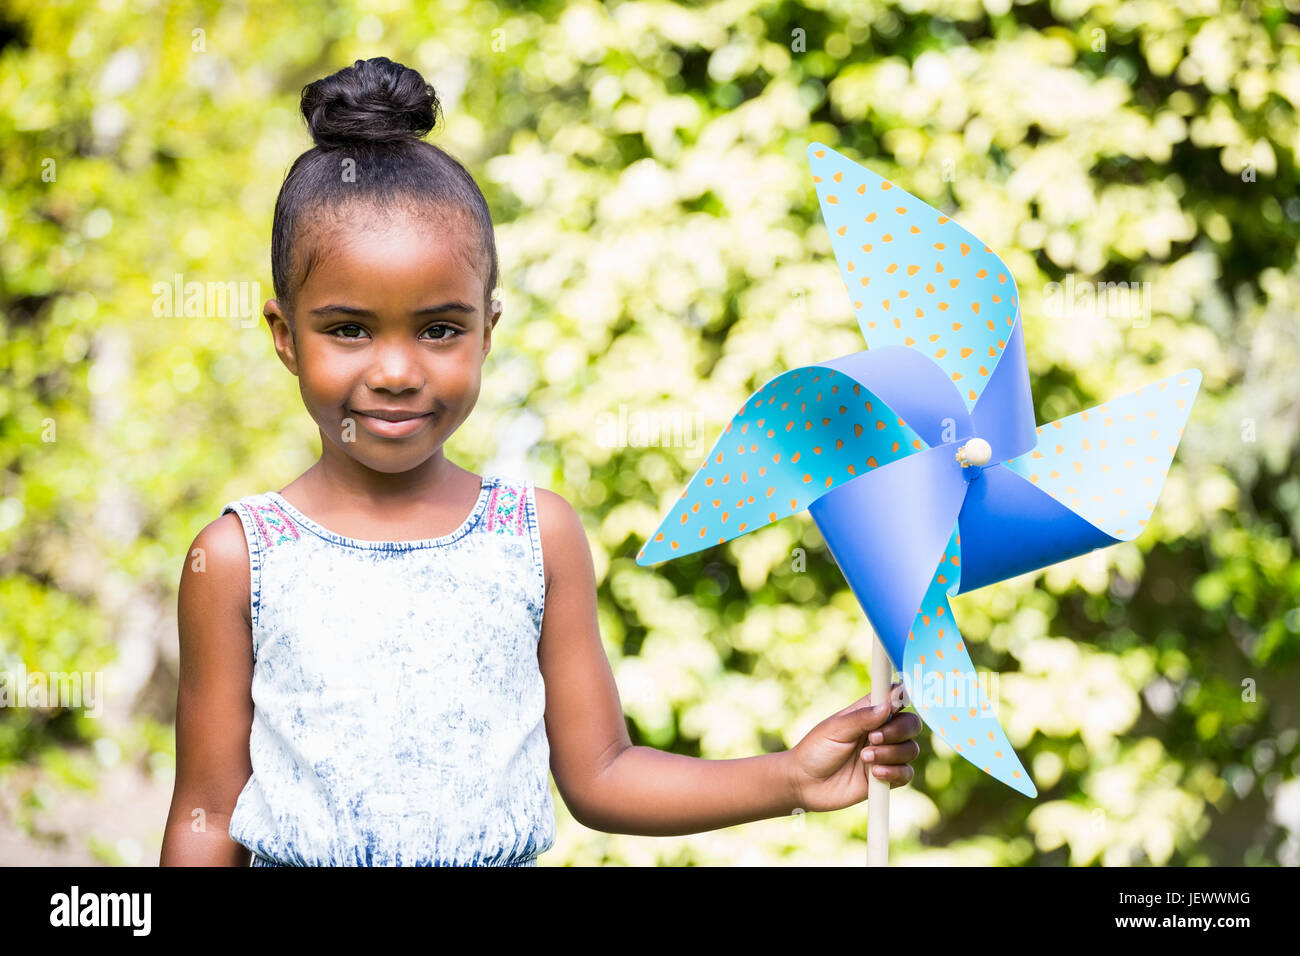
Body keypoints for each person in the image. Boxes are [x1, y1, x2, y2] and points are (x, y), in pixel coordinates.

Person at [159, 56, 921, 867]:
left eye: (439, 329)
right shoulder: (240, 558)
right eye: (348, 329)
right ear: (284, 336)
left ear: (488, 329)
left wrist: (789, 779)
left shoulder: (534, 535)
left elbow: (601, 774)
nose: (394, 369)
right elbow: (206, 814)